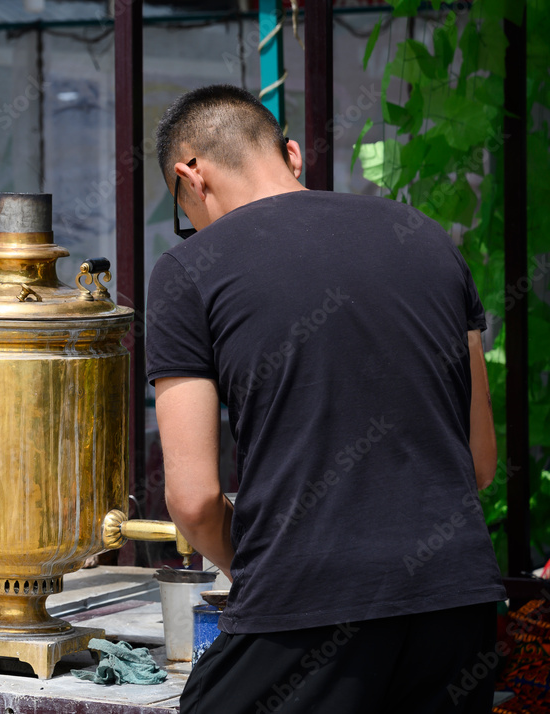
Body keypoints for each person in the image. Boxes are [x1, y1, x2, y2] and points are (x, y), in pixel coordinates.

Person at [147, 85, 506, 714]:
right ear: (291, 154)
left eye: (184, 209)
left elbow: (195, 499)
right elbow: (479, 462)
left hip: (304, 609)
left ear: (190, 175)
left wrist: (261, 566)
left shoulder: (189, 271)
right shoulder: (426, 239)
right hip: (458, 607)